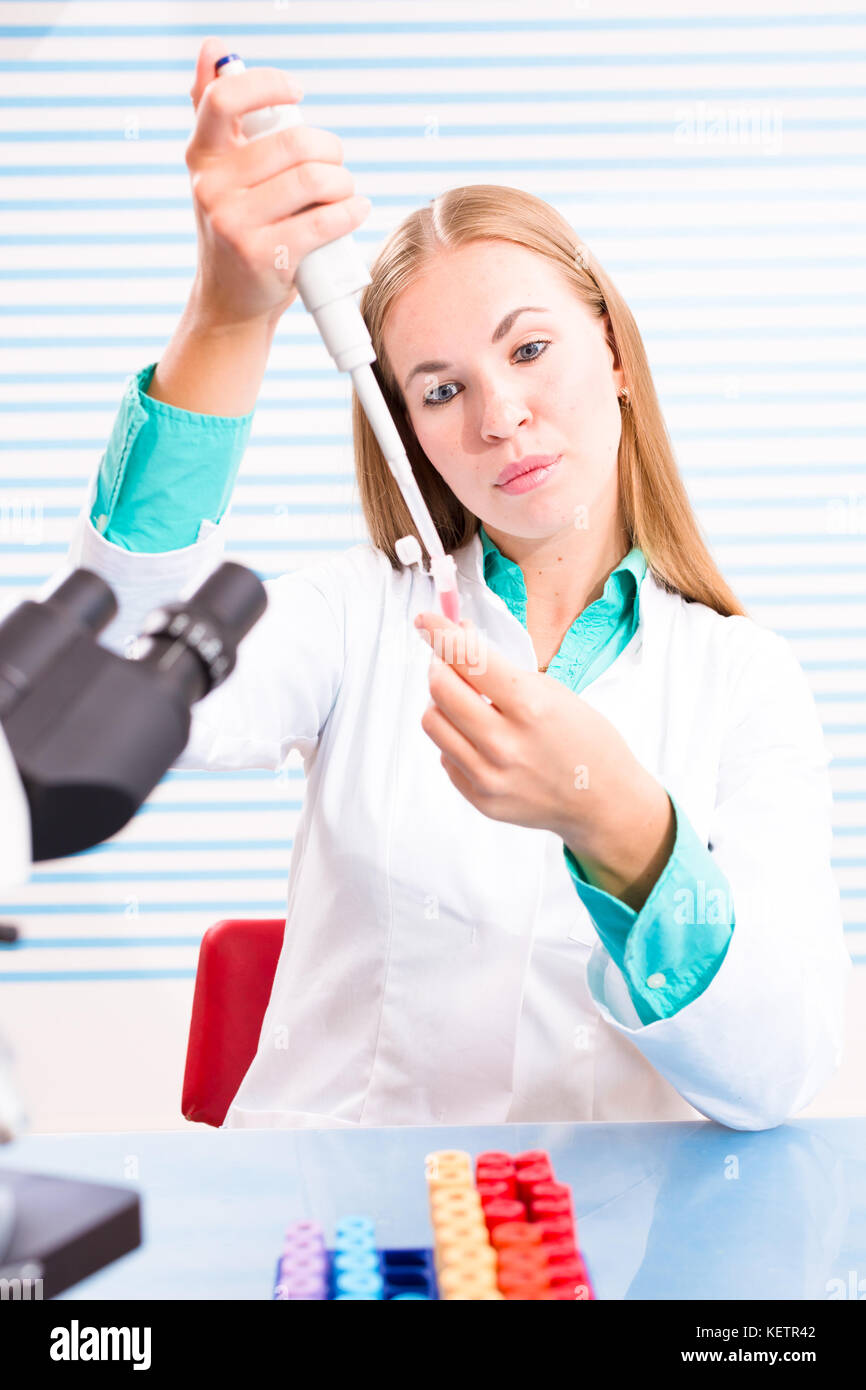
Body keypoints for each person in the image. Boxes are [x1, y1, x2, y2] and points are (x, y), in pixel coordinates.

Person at [63, 39, 850, 1131]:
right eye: (438, 390)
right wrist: (229, 318)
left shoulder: (744, 681)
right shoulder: (351, 621)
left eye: (528, 350)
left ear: (614, 351)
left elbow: (772, 1074)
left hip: (602, 1269)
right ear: (409, 431)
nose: (497, 418)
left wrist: (614, 817)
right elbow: (108, 676)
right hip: (340, 1251)